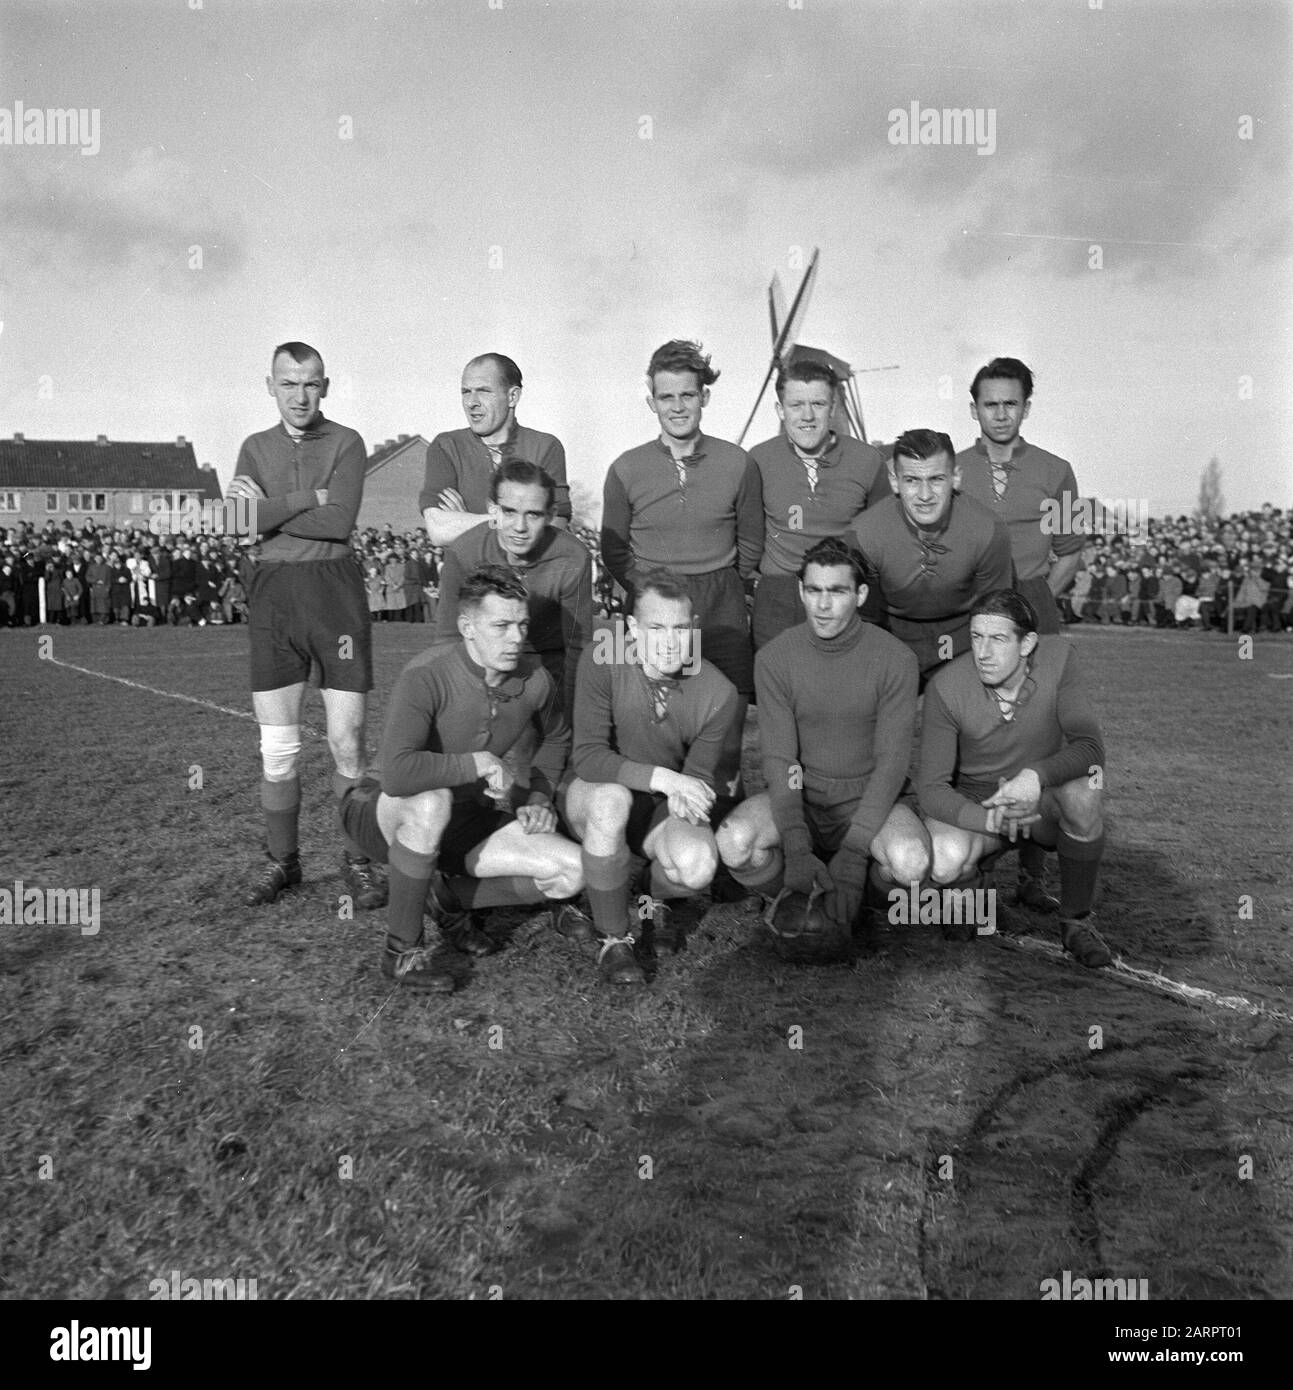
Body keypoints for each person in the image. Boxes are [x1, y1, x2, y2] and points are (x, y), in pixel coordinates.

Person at [338, 565, 589, 994]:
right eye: (502, 625)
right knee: (430, 802)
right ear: (467, 627)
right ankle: (402, 952)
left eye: (522, 624)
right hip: (379, 808)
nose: (516, 638)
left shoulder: (536, 680)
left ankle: (446, 895)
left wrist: (539, 797)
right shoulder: (427, 674)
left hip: (465, 815)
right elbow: (398, 773)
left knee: (573, 873)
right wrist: (475, 763)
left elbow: (556, 739)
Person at [227, 341, 383, 911]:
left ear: (326, 386)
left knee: (347, 741)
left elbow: (339, 520)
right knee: (278, 746)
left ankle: (358, 861)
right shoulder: (253, 447)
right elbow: (239, 522)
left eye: (311, 383)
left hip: (334, 594)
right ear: (270, 385)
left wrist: (272, 510)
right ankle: (282, 861)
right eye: (288, 383)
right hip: (272, 596)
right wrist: (304, 498)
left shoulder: (347, 443)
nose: (300, 395)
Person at [716, 537, 928, 944]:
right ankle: (793, 895)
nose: (823, 605)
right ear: (800, 591)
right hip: (806, 799)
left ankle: (859, 899)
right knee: (734, 842)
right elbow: (780, 760)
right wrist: (796, 846)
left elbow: (892, 764)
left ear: (861, 595)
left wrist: (853, 853)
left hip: (870, 799)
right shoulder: (776, 658)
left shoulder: (896, 659)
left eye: (837, 591)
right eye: (813, 590)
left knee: (911, 863)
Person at [601, 339, 762, 803]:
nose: (677, 407)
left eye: (687, 395)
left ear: (704, 397)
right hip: (654, 603)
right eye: (666, 397)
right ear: (652, 401)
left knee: (726, 719)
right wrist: (650, 592)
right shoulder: (626, 468)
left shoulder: (738, 462)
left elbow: (750, 540)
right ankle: (652, 830)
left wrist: (728, 581)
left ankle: (727, 828)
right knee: (651, 720)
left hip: (720, 602)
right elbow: (614, 547)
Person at [560, 570, 740, 985]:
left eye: (680, 628)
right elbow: (587, 757)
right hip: (593, 793)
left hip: (656, 804)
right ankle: (613, 938)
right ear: (631, 629)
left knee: (697, 866)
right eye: (655, 628)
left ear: (694, 629)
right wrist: (665, 779)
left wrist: (686, 796)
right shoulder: (601, 660)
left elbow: (694, 778)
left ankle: (649, 890)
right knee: (612, 801)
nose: (669, 641)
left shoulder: (719, 691)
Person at [916, 588, 1111, 967]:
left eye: (998, 639)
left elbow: (1090, 750)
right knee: (944, 859)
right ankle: (973, 895)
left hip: (1038, 801)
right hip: (980, 805)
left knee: (1085, 792)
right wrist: (987, 818)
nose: (983, 653)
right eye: (976, 637)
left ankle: (1077, 922)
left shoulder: (1058, 660)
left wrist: (1035, 776)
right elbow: (931, 790)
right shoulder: (946, 686)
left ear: (1027, 644)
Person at [747, 358, 890, 649]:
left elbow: (883, 539)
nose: (807, 416)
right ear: (780, 410)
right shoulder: (759, 459)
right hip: (781, 595)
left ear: (834, 408)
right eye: (796, 405)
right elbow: (747, 533)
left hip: (842, 588)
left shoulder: (867, 460)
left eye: (819, 404)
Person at [848, 428, 1011, 682]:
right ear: (895, 482)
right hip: (892, 631)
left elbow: (996, 615)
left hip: (963, 634)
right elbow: (863, 620)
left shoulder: (987, 529)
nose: (925, 495)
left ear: (955, 478)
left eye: (936, 479)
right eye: (912, 480)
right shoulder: (865, 534)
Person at [435, 460, 592, 714]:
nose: (519, 527)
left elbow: (578, 644)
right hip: (484, 661)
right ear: (493, 511)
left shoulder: (573, 557)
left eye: (533, 514)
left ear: (551, 515)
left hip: (547, 663)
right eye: (509, 512)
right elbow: (446, 637)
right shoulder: (463, 551)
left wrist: (571, 711)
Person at [955, 359, 1086, 636]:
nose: (1001, 415)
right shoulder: (951, 471)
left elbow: (1070, 553)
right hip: (966, 606)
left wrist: (1037, 604)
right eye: (990, 405)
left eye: (1010, 404)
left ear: (1025, 408)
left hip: (1032, 604)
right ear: (974, 410)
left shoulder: (1056, 470)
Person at [420, 353, 570, 548]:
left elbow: (553, 529)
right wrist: (512, 521)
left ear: (512, 397)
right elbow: (440, 531)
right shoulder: (446, 446)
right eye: (466, 392)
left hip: (526, 577)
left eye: (483, 391)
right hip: (467, 576)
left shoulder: (545, 447)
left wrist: (466, 520)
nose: (471, 402)